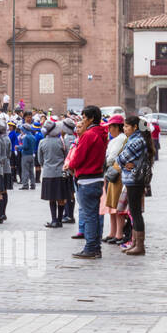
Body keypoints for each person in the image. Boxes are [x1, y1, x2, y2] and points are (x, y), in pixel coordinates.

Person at [68, 106, 109, 258]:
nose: (82, 120)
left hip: (87, 179)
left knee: (90, 216)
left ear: (91, 118)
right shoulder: (101, 133)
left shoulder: (88, 135)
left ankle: (91, 247)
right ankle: (95, 246)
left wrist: (70, 165)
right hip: (97, 177)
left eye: (84, 117)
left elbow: (78, 157)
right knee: (94, 215)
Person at [115, 114, 152, 255]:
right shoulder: (135, 139)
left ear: (135, 127)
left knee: (136, 213)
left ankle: (139, 245)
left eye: (126, 126)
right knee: (133, 211)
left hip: (135, 179)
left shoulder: (136, 141)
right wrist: (126, 163)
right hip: (132, 179)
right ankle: (135, 242)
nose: (124, 129)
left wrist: (124, 162)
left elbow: (121, 158)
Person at [38, 119, 69, 228]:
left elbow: (40, 160)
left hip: (48, 173)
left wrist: (46, 165)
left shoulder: (42, 142)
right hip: (60, 172)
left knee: (51, 198)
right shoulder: (62, 141)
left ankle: (54, 220)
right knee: (61, 197)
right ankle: (60, 220)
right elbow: (67, 156)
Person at [101, 115, 127, 246]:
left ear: (117, 127)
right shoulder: (116, 139)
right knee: (112, 205)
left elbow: (111, 158)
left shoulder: (120, 139)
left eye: (110, 127)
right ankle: (113, 232)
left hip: (116, 174)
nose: (109, 129)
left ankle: (118, 233)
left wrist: (104, 164)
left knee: (117, 206)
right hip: (112, 174)